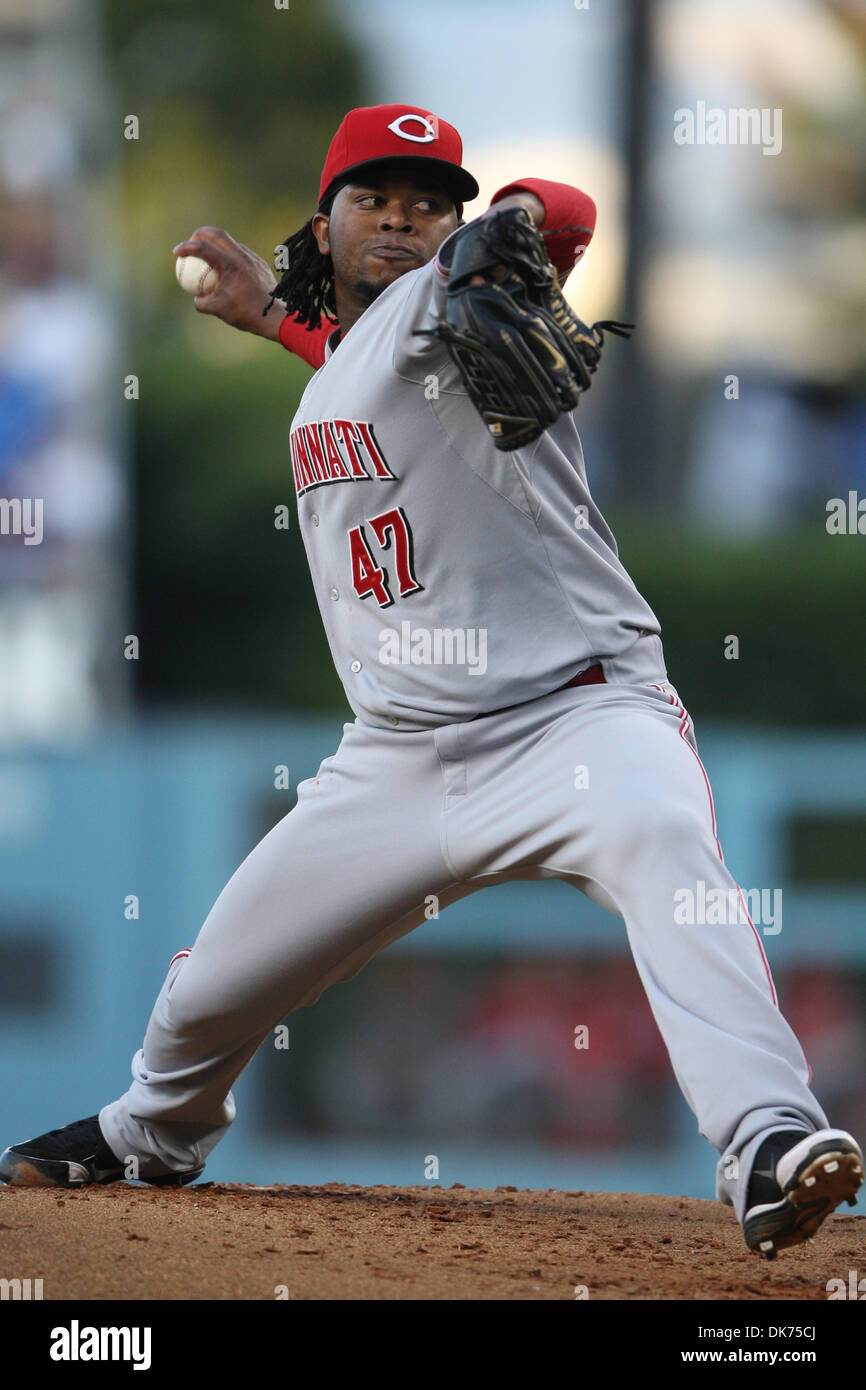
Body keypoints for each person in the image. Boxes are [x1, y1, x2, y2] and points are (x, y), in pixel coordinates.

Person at [2, 104, 861, 1261]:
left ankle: (766, 1137)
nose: (403, 220)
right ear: (325, 223)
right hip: (397, 760)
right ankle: (151, 1129)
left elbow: (563, 214)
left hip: (577, 717)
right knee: (209, 991)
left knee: (669, 853)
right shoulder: (339, 369)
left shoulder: (463, 296)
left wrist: (505, 226)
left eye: (426, 204)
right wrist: (271, 314)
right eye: (374, 199)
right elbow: (365, 371)